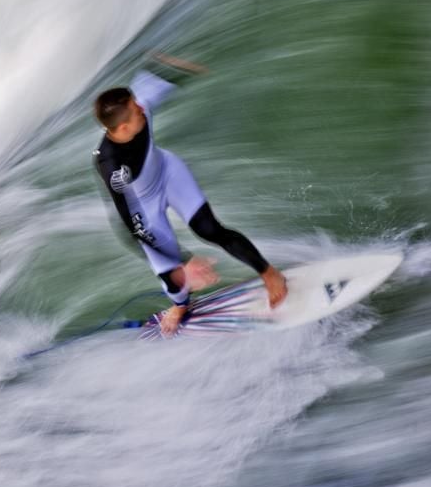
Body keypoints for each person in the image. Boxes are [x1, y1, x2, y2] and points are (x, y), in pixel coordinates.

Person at [92, 52, 288, 337]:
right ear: (122, 128)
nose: (143, 110)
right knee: (170, 270)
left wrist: (186, 66)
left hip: (168, 172)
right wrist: (185, 260)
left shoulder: (135, 111)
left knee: (210, 229)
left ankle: (270, 273)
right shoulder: (113, 168)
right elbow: (131, 225)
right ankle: (180, 305)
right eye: (136, 111)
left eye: (137, 104)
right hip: (143, 207)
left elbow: (157, 71)